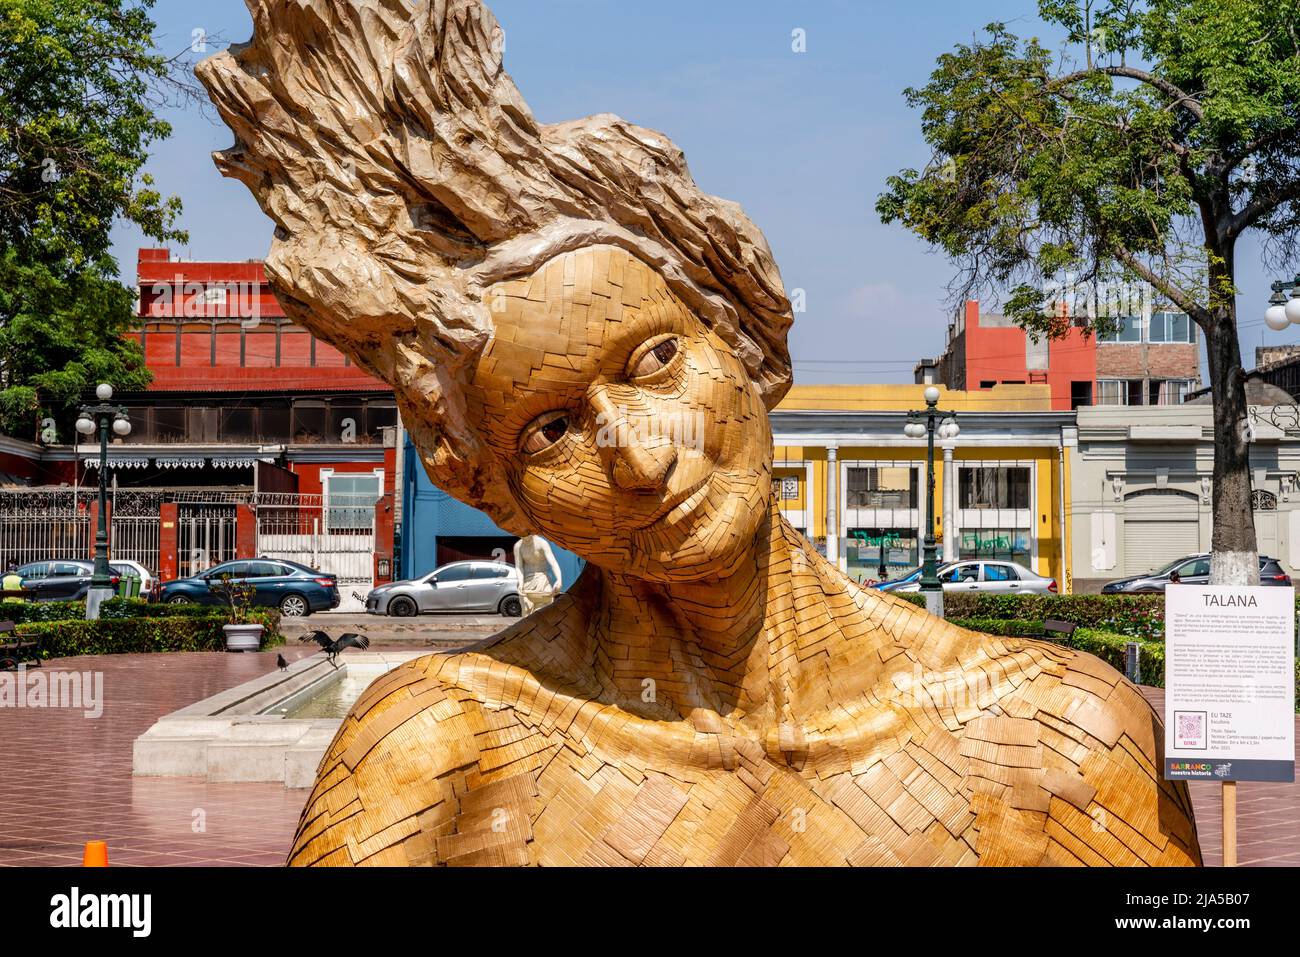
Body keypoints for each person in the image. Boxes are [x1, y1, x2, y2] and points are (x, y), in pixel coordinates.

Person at [198, 0, 1199, 867]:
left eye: (653, 362)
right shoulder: (435, 752)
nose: (637, 454)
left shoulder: (1054, 739)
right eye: (549, 431)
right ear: (495, 489)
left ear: (743, 329)